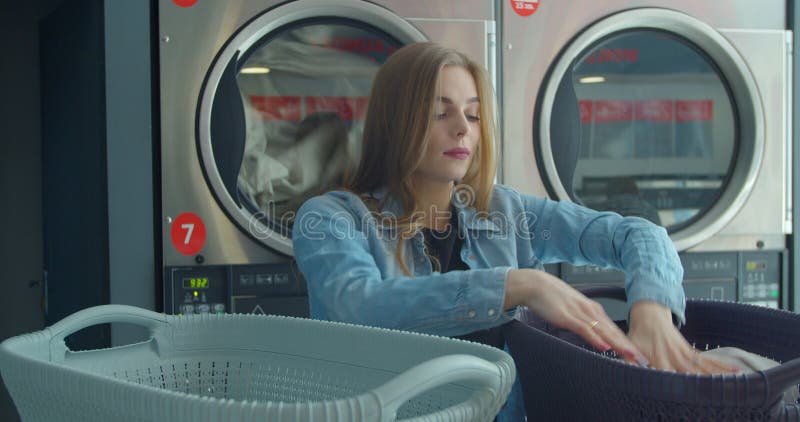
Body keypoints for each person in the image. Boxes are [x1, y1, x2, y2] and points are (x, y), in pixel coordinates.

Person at [292, 42, 737, 419]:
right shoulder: (332, 218)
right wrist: (516, 284)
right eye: (438, 112)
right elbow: (358, 307)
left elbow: (639, 235)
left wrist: (653, 311)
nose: (463, 128)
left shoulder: (502, 211)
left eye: (473, 114)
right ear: (397, 123)